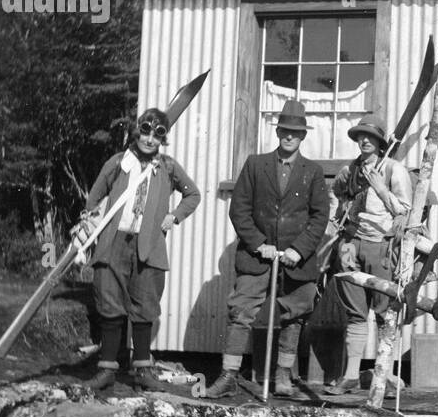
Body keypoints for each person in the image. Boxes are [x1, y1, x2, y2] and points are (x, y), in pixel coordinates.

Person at [205, 100, 331, 399]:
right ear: (277, 131)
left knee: (295, 313)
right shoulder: (254, 164)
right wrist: (258, 244)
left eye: (296, 132)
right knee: (241, 312)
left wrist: (299, 250)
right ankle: (229, 375)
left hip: (297, 260)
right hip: (256, 257)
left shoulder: (313, 172)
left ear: (303, 136)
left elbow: (319, 216)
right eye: (286, 130)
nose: (290, 136)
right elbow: (240, 210)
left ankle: (283, 373)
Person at [82, 107, 201, 391]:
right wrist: (90, 219)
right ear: (137, 131)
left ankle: (142, 371)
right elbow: (95, 195)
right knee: (109, 303)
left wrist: (174, 217)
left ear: (163, 139)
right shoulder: (118, 162)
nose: (149, 139)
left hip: (148, 246)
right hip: (114, 242)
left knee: (145, 305)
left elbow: (193, 194)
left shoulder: (168, 167)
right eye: (145, 131)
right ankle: (107, 370)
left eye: (157, 134)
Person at [328, 116, 414, 394]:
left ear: (380, 142)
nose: (364, 141)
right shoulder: (348, 171)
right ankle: (351, 375)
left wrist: (380, 188)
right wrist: (338, 219)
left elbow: (405, 212)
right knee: (354, 313)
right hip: (351, 244)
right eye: (360, 136)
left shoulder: (392, 170)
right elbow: (337, 196)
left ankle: (384, 374)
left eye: (370, 137)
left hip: (382, 246)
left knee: (385, 312)